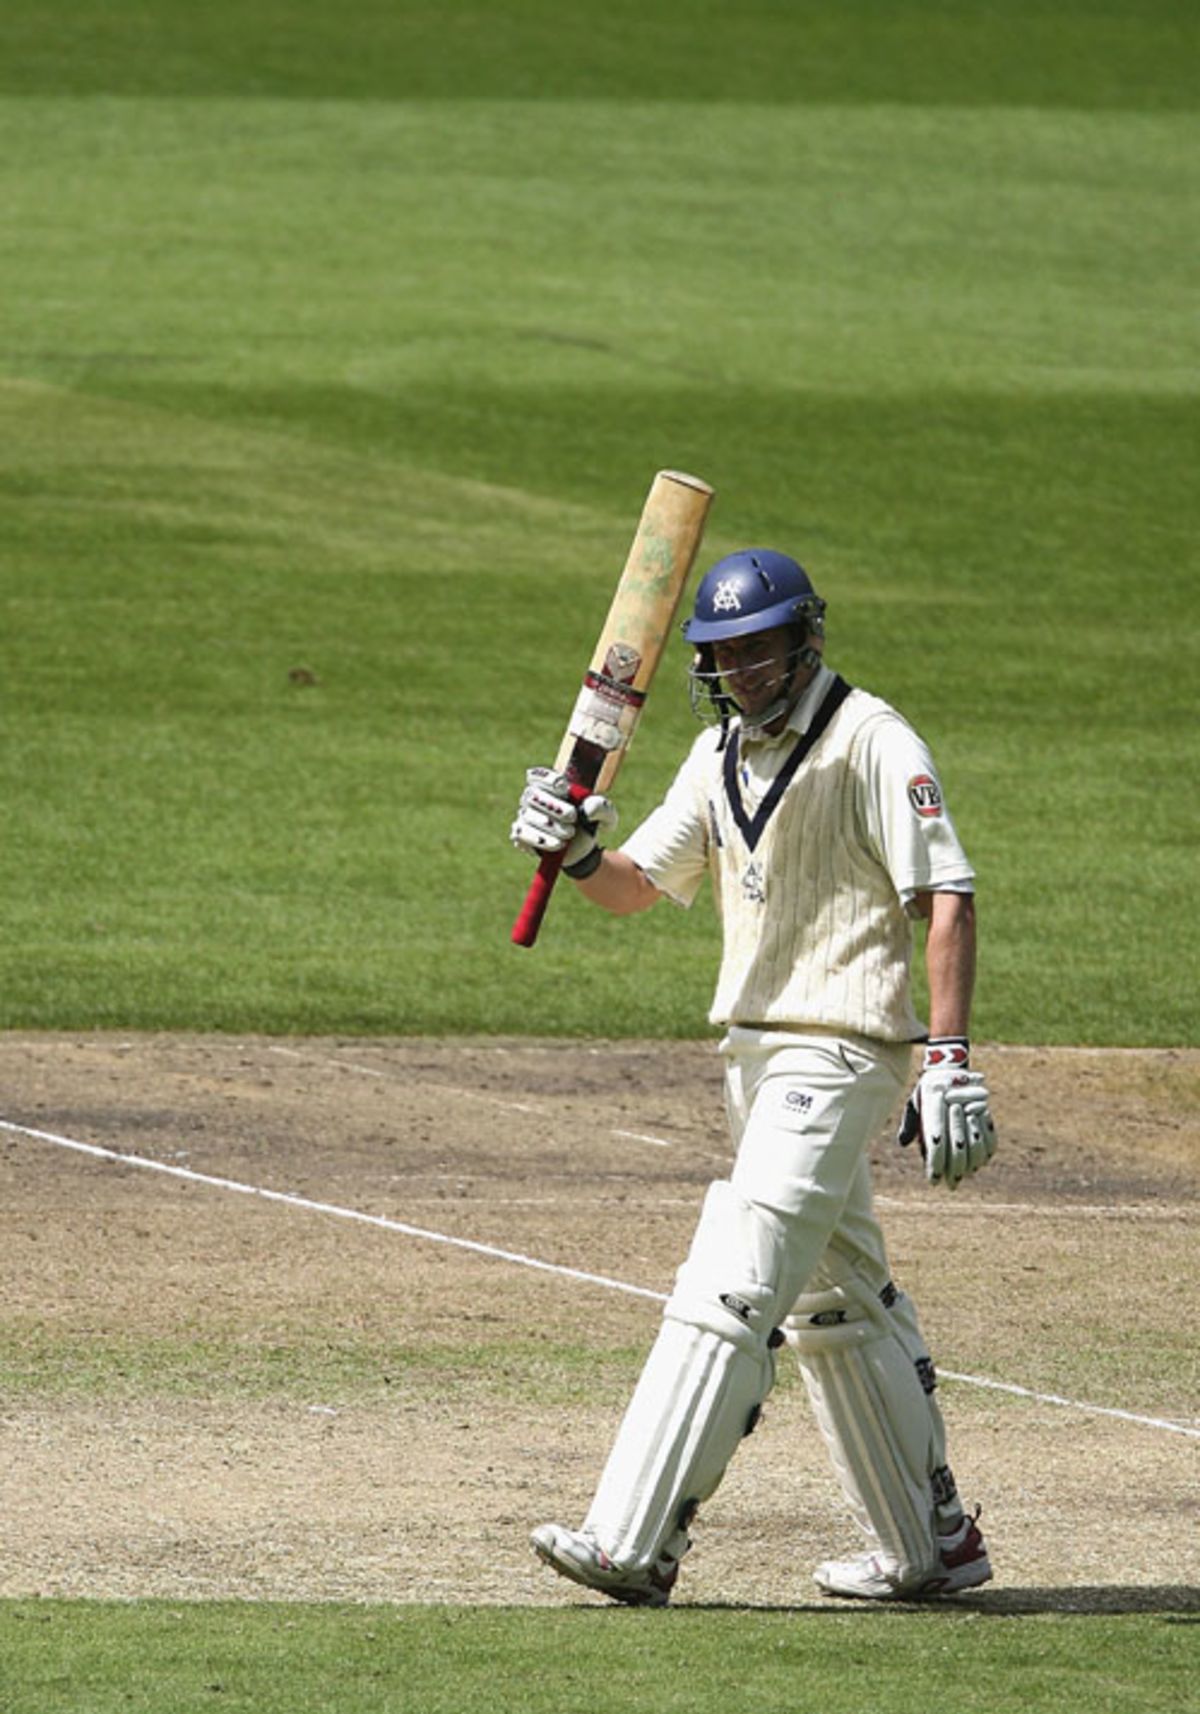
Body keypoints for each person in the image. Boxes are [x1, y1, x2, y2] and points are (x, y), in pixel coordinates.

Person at [510, 547, 998, 1606]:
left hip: (838, 1048)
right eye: (722, 652)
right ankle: (931, 1542)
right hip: (756, 1056)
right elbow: (642, 887)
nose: (740, 666)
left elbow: (947, 894)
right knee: (839, 1303)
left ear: (803, 637)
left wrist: (950, 1059)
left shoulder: (873, 738)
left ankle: (634, 1539)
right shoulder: (714, 752)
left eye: (757, 645)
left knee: (731, 1281)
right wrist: (583, 850)